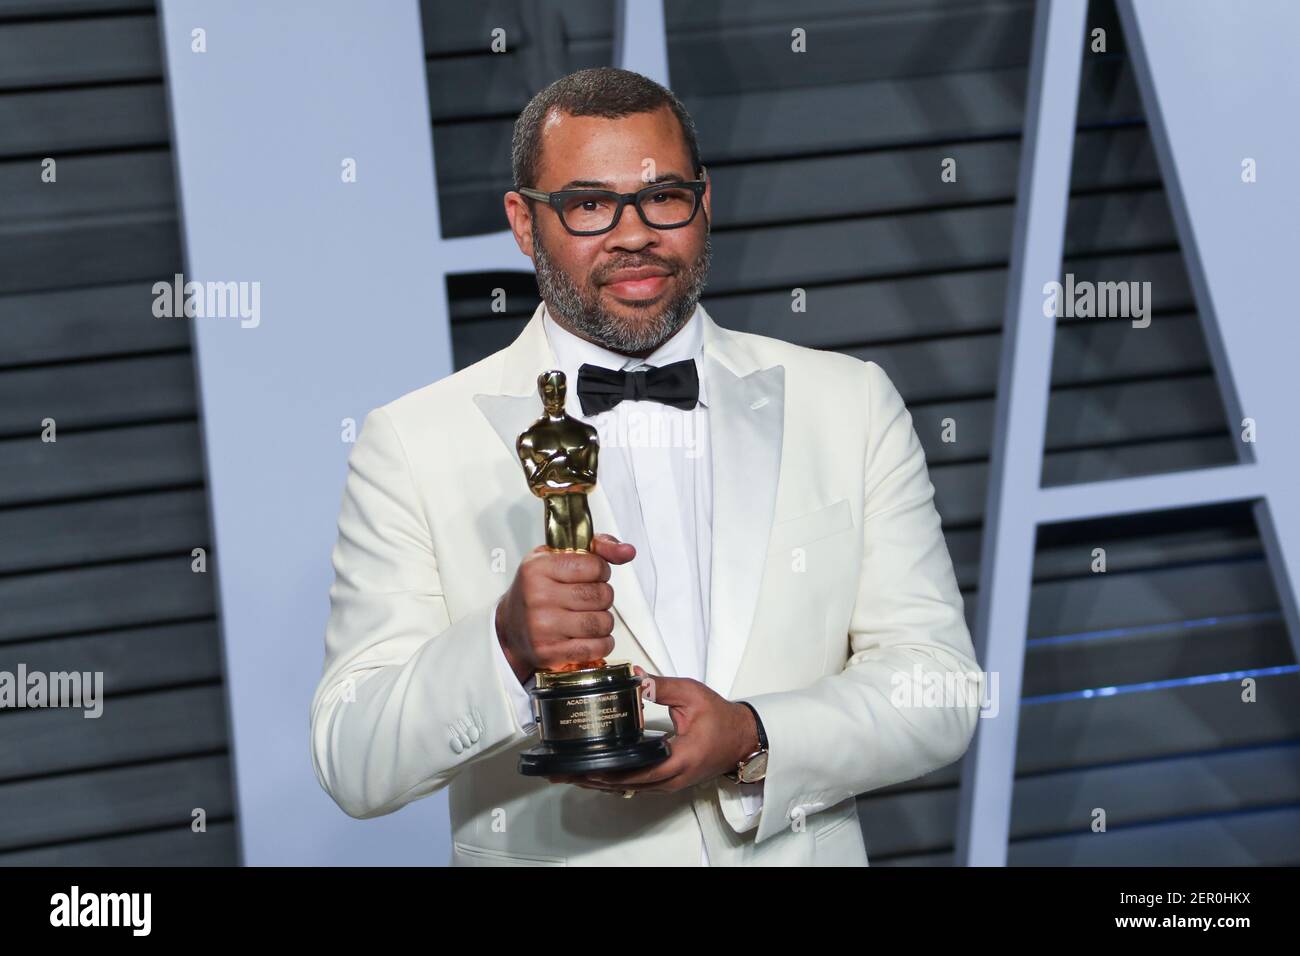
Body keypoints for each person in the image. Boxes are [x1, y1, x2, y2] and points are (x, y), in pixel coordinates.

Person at [310, 66, 982, 866]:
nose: (634, 235)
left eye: (663, 196)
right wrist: (504, 646)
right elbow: (353, 758)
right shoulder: (412, 443)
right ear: (525, 224)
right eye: (589, 204)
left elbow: (939, 688)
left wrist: (756, 734)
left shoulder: (849, 402)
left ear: (706, 201)